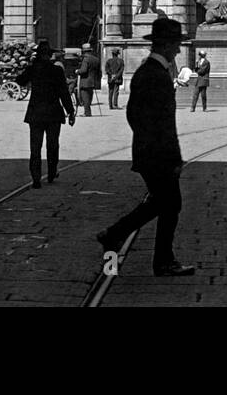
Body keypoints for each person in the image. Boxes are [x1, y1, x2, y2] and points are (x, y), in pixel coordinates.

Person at [96, 19, 195, 277]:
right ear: (166, 45)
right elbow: (157, 123)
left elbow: (135, 116)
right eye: (175, 45)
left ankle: (115, 234)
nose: (178, 50)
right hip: (158, 156)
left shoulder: (149, 72)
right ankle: (162, 261)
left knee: (161, 203)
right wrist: (169, 157)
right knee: (170, 205)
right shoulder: (155, 75)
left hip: (151, 153)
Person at [22, 41, 76, 186]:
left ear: (38, 55)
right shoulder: (57, 71)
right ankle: (51, 173)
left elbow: (20, 81)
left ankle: (36, 178)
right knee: (53, 145)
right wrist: (70, 111)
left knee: (35, 147)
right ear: (50, 55)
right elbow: (64, 93)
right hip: (53, 114)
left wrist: (29, 66)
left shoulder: (33, 69)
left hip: (36, 114)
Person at [77, 43, 101, 116]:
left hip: (85, 81)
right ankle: (88, 111)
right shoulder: (96, 59)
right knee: (90, 96)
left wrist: (78, 71)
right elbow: (98, 71)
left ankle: (87, 112)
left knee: (85, 97)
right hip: (93, 81)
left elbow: (84, 70)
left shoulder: (86, 59)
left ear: (84, 51)